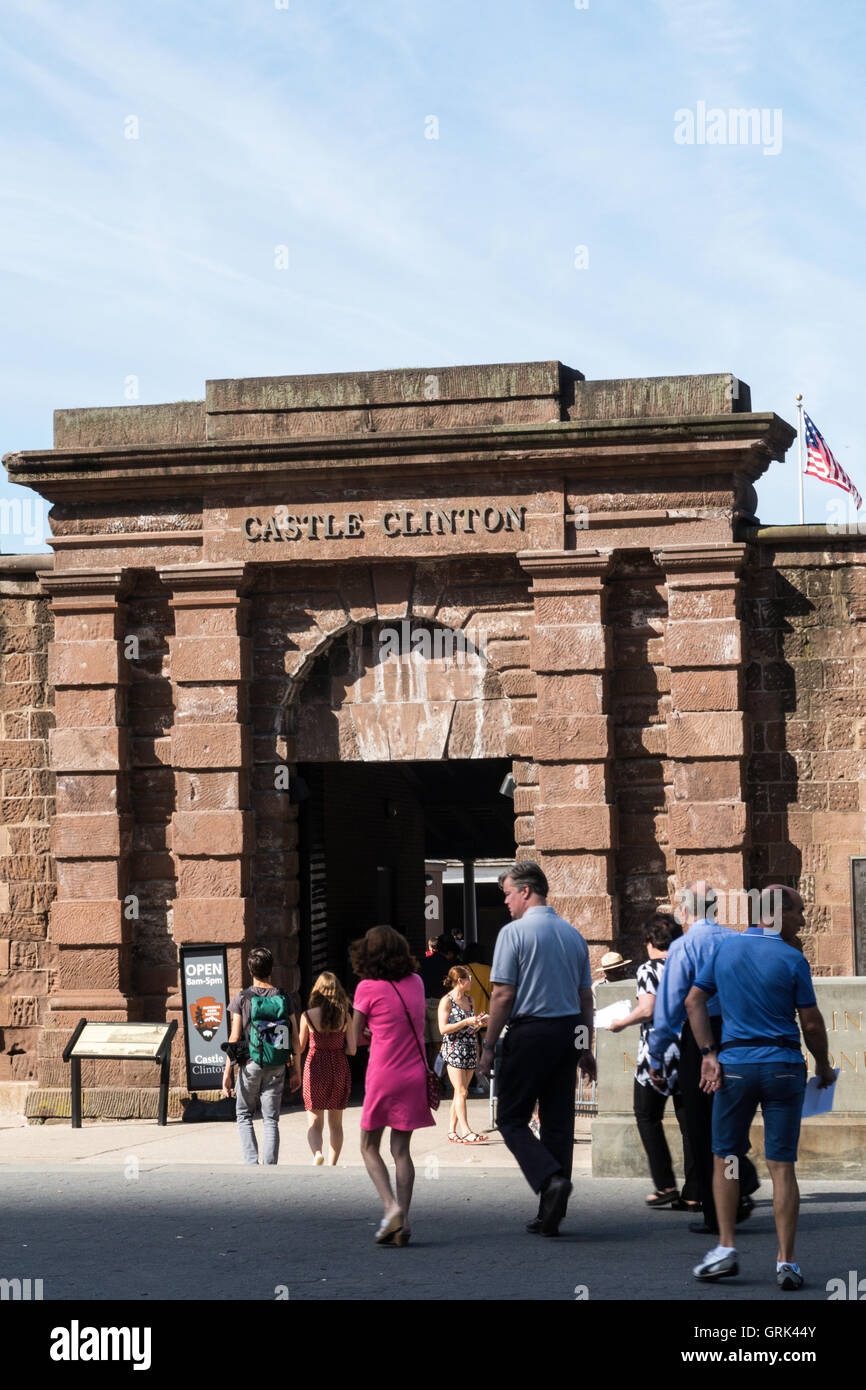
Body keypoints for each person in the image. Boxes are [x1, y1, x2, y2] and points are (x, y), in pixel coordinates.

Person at [685, 884, 836, 1288]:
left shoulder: (725, 950)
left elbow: (693, 1002)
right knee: (781, 1165)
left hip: (735, 1067)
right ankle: (786, 1261)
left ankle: (726, 1247)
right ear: (776, 912)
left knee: (726, 1158)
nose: (803, 919)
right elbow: (812, 1023)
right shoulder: (792, 958)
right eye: (799, 912)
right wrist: (823, 1065)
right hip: (784, 1067)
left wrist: (708, 1053)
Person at [479, 861, 596, 1237]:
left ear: (526, 891)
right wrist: (584, 1048)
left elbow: (502, 994)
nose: (507, 902)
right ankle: (551, 1214)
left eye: (508, 894)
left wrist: (488, 1046)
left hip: (529, 1034)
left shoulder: (512, 934)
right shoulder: (574, 936)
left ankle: (548, 1180)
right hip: (565, 1034)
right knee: (558, 1123)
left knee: (510, 1118)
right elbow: (584, 999)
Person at [646, 882, 759, 1235]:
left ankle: (716, 1213)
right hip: (737, 1034)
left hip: (699, 1037)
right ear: (715, 908)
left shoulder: (683, 947)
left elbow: (669, 1005)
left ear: (684, 911)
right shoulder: (736, 941)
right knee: (731, 1124)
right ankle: (737, 1189)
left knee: (701, 1127)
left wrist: (655, 1055)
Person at [350, 925, 435, 1245]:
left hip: (383, 1073)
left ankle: (390, 1208)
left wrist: (369, 1032)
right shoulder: (416, 982)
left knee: (368, 1146)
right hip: (414, 1073)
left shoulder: (366, 988)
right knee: (401, 1150)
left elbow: (353, 1040)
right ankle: (405, 1223)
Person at [608, 912, 699, 1211]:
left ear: (650, 943)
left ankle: (665, 1184)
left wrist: (621, 1022)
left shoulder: (649, 969)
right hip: (689, 1051)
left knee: (647, 1116)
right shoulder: (691, 966)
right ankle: (694, 1192)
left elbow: (648, 1009)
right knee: (691, 1125)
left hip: (658, 1055)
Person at [221, 946, 301, 1165]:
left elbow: (234, 1036)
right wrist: (296, 1071)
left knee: (244, 1114)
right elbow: (295, 1038)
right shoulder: (284, 997)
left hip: (251, 1063)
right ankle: (270, 1168)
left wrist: (227, 1071)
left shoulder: (242, 998)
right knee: (271, 1119)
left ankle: (251, 1164)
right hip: (277, 1063)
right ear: (271, 969)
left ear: (250, 971)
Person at [298, 971, 356, 1166]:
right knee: (336, 1124)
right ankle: (332, 1163)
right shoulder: (345, 1016)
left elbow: (300, 1046)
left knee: (315, 1122)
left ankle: (317, 1153)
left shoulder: (307, 1016)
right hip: (338, 1066)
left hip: (315, 1066)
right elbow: (353, 1049)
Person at [438, 965, 488, 1143]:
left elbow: (471, 1027)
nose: (471, 982)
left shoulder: (470, 1000)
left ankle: (451, 1131)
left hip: (469, 1048)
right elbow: (443, 1028)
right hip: (454, 1049)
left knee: (460, 1093)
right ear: (460, 981)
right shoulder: (447, 1001)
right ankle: (466, 1130)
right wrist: (465, 1021)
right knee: (462, 1091)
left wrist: (478, 1023)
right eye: (469, 978)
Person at [419, 933, 460, 1065]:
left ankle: (426, 1074)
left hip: (421, 1003)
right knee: (439, 1045)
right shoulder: (450, 966)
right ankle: (435, 1078)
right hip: (440, 1004)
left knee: (425, 1045)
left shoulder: (424, 961)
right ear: (449, 952)